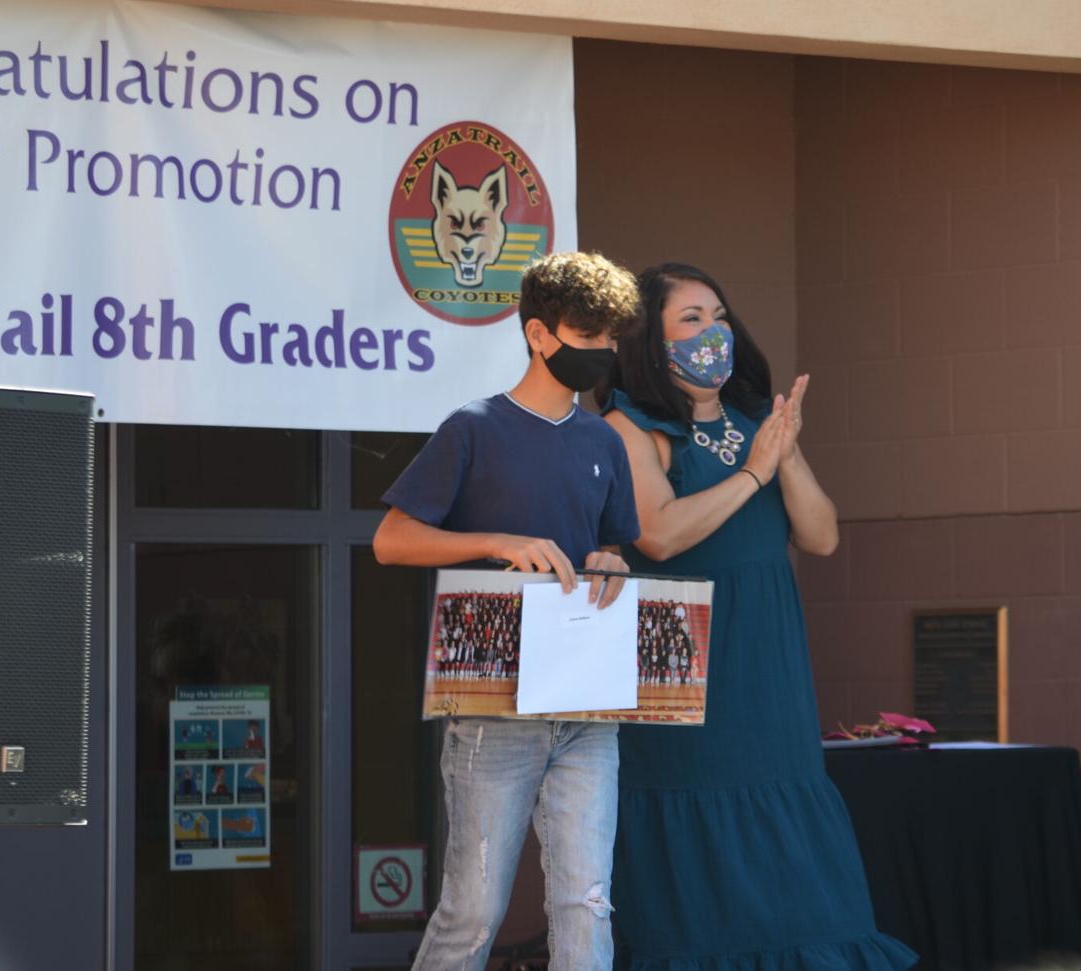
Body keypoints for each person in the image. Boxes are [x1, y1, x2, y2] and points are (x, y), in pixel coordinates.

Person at [597, 262, 916, 971]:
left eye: (719, 315)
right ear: (651, 339)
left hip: (766, 656)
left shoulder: (754, 428)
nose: (714, 331)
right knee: (696, 827)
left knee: (788, 825)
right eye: (691, 319)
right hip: (677, 655)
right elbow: (660, 534)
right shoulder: (629, 426)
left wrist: (782, 447)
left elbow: (823, 536)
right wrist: (751, 473)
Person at [373, 251, 643, 970]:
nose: (602, 351)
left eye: (610, 336)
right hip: (493, 703)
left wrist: (612, 561)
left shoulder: (604, 442)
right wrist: (498, 542)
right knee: (473, 911)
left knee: (587, 902)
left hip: (588, 706)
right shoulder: (474, 426)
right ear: (538, 334)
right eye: (588, 335)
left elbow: (607, 545)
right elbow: (390, 539)